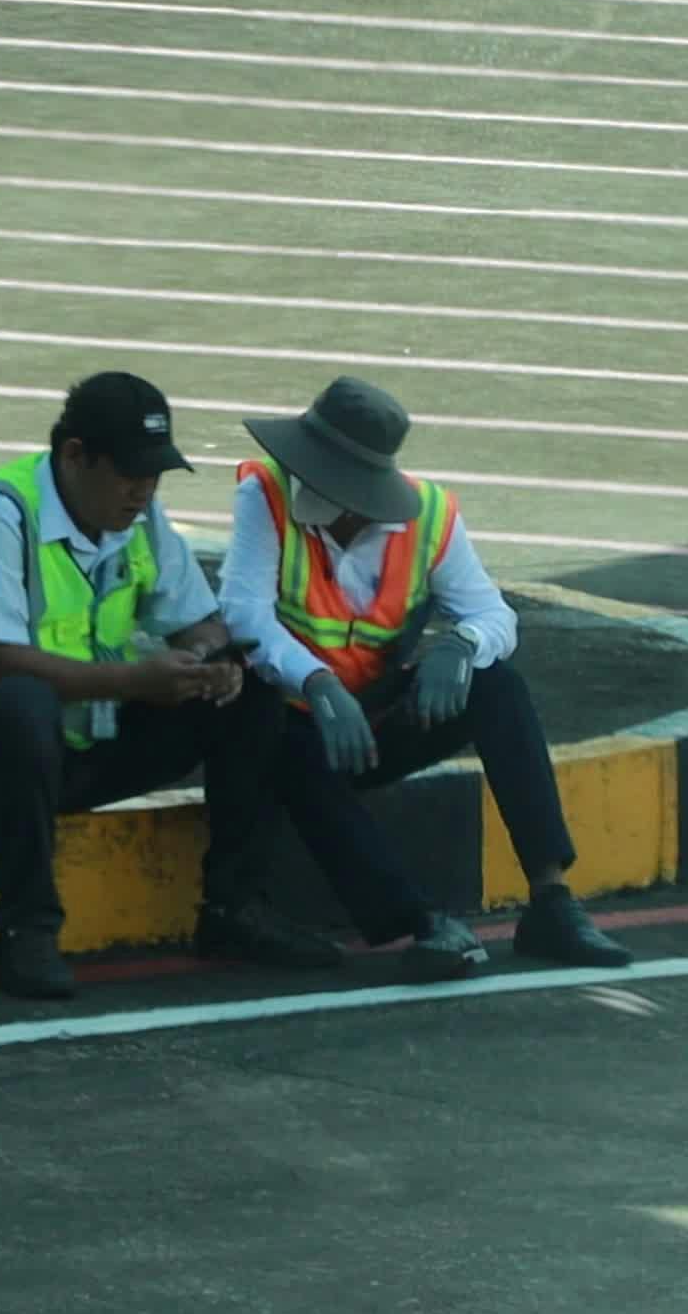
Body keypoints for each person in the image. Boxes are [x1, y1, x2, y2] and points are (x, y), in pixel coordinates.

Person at [0, 372, 346, 1001]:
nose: (143, 490)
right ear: (74, 456)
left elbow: (201, 620)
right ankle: (27, 932)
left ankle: (236, 908)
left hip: (76, 743)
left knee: (252, 689)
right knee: (21, 703)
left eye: (154, 474)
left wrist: (207, 661)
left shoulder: (140, 518)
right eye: (129, 473)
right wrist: (137, 681)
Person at [224, 377, 635, 981]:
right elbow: (243, 613)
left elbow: (494, 616)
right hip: (302, 723)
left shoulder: (430, 518)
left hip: (381, 714)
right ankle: (422, 924)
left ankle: (552, 900)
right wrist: (315, 683)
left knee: (498, 687)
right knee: (282, 746)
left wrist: (460, 647)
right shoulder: (266, 494)